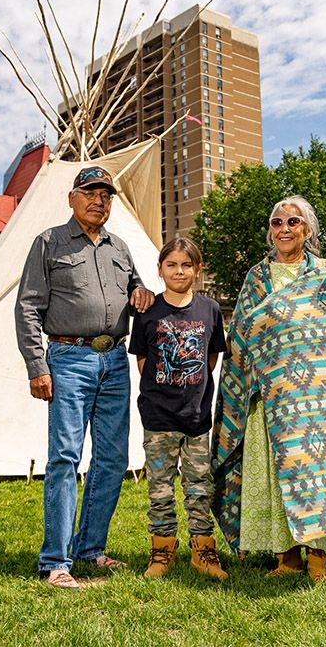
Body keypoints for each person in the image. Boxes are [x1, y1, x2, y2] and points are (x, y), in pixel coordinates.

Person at [15, 165, 154, 590]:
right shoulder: (49, 242)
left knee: (112, 459)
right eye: (91, 193)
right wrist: (37, 365)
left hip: (114, 361)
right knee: (65, 457)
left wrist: (142, 292)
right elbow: (27, 307)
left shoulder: (121, 247)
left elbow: (137, 290)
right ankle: (55, 560)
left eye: (106, 195)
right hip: (68, 357)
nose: (100, 201)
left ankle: (91, 549)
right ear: (72, 197)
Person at [212, 196, 326, 584]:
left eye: (293, 222)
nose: (284, 229)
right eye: (277, 222)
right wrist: (246, 381)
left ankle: (318, 554)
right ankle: (286, 554)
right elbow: (241, 334)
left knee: (318, 468)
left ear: (307, 229)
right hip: (270, 389)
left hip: (321, 393)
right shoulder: (256, 278)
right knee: (279, 473)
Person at [128, 237, 228, 580]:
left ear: (197, 271)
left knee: (200, 485)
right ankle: (162, 549)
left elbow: (211, 358)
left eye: (187, 265)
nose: (179, 271)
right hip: (158, 416)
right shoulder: (147, 312)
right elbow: (143, 360)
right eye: (171, 264)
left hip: (197, 416)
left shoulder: (210, 310)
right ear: (160, 270)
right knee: (160, 488)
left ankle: (203, 549)